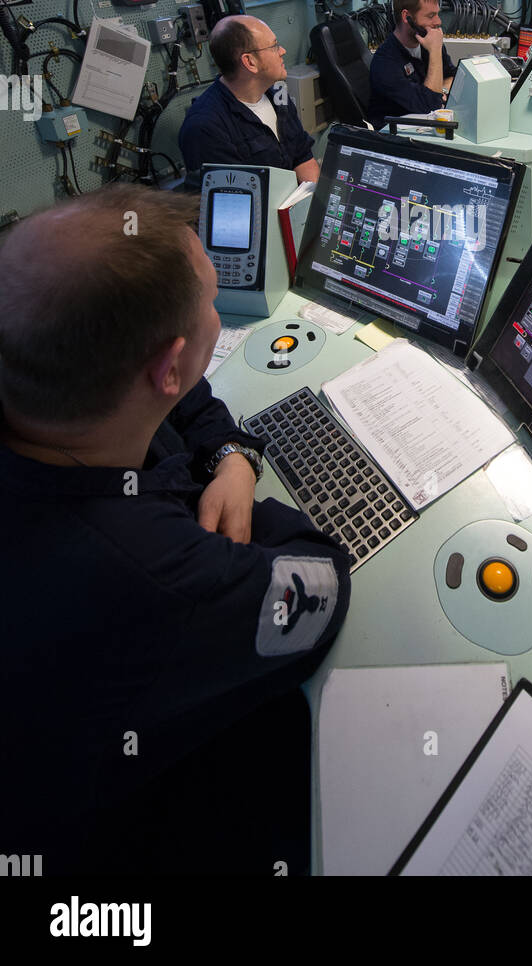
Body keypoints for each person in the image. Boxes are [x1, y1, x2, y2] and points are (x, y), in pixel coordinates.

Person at [0, 186, 350, 874]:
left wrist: (231, 457)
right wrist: (245, 502)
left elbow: (178, 389)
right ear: (166, 364)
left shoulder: (46, 380)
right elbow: (321, 585)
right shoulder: (156, 572)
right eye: (213, 304)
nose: (218, 314)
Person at [179, 14, 320, 186]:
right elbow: (234, 202)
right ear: (250, 62)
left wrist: (316, 201)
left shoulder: (278, 94)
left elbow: (301, 155)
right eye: (274, 46)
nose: (282, 51)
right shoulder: (205, 128)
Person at [367, 0, 457, 128]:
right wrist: (434, 52)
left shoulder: (429, 41)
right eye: (430, 16)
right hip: (395, 137)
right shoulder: (385, 62)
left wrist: (442, 90)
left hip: (424, 128)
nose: (438, 21)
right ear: (406, 17)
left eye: (437, 14)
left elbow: (453, 76)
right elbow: (429, 107)